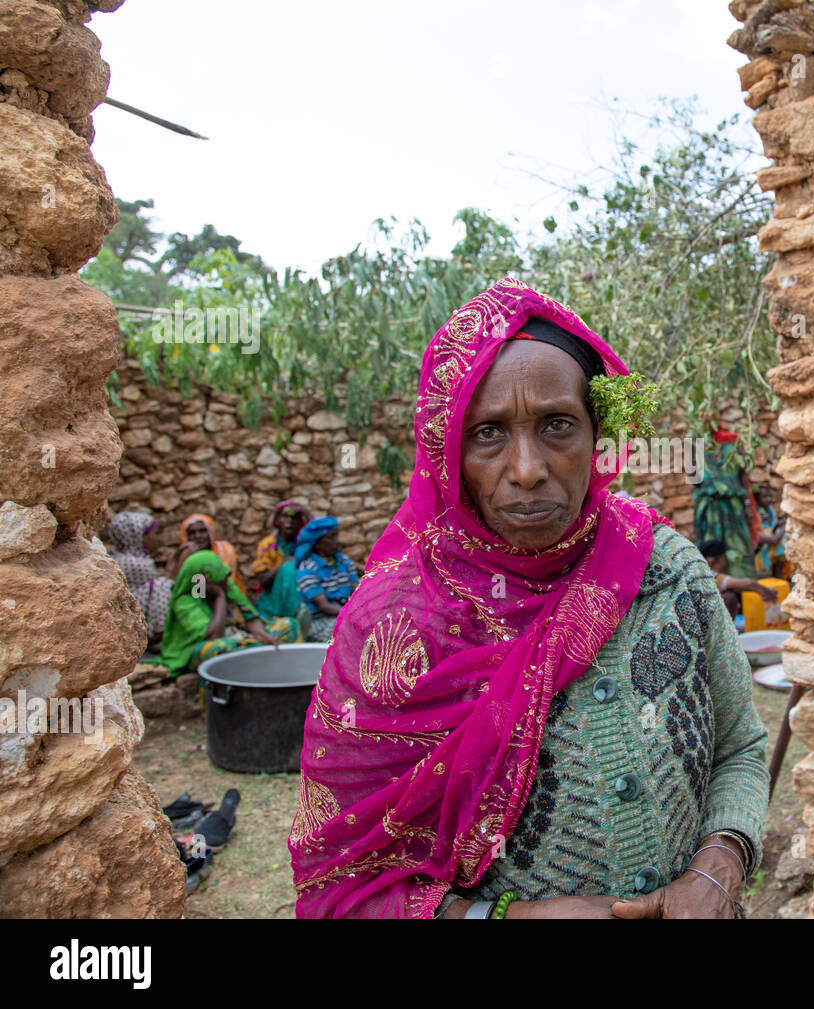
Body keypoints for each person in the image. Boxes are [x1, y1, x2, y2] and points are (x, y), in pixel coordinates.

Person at [290, 280, 768, 919]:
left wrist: (718, 869)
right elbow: (347, 883)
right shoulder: (392, 625)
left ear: (597, 435)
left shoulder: (666, 568)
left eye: (557, 425)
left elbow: (739, 747)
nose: (526, 468)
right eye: (488, 433)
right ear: (449, 453)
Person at [159, 550, 300, 675]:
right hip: (214, 644)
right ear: (206, 582)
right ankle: (258, 654)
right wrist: (219, 598)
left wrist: (263, 635)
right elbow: (214, 636)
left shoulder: (226, 584)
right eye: (221, 581)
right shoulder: (186, 601)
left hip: (242, 637)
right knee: (216, 650)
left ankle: (259, 651)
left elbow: (249, 615)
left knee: (289, 625)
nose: (227, 583)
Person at [693, 429, 760, 580]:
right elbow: (694, 480)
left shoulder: (733, 443)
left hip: (732, 508)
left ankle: (744, 591)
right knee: (711, 552)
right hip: (709, 510)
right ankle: (715, 590)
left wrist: (748, 504)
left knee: (739, 548)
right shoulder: (696, 445)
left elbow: (743, 476)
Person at [103, 510, 173, 648]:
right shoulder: (134, 563)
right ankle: (158, 633)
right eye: (154, 533)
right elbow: (169, 584)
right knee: (162, 586)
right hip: (134, 618)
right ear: (139, 536)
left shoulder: (120, 557)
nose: (157, 538)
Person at [294, 516, 359, 644]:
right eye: (331, 537)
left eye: (336, 535)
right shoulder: (308, 568)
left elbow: (356, 590)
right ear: (317, 544)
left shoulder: (344, 561)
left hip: (344, 614)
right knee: (342, 633)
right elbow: (324, 606)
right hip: (319, 621)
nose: (337, 541)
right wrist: (353, 616)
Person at [700, 539, 777, 629]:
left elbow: (739, 586)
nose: (727, 563)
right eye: (724, 558)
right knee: (730, 597)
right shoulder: (711, 576)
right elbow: (748, 583)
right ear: (711, 561)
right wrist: (766, 592)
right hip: (701, 627)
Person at [252, 500, 309, 620]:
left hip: (303, 592)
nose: (290, 522)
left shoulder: (304, 544)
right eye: (285, 517)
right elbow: (263, 580)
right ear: (277, 521)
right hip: (273, 595)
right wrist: (284, 565)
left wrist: (306, 513)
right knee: (289, 568)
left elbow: (319, 533)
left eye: (294, 518)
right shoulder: (267, 545)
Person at [168, 513, 247, 595]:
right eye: (192, 533)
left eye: (202, 531)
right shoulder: (182, 556)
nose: (197, 536)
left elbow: (225, 583)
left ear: (210, 533)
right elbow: (178, 587)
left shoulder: (224, 550)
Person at [753, 484, 788, 579]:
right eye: (764, 497)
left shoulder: (770, 510)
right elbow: (773, 539)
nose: (769, 499)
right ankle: (778, 578)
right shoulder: (756, 516)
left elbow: (773, 530)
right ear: (756, 499)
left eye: (769, 496)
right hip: (758, 554)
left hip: (768, 546)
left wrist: (778, 525)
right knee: (781, 546)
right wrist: (786, 525)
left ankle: (779, 579)